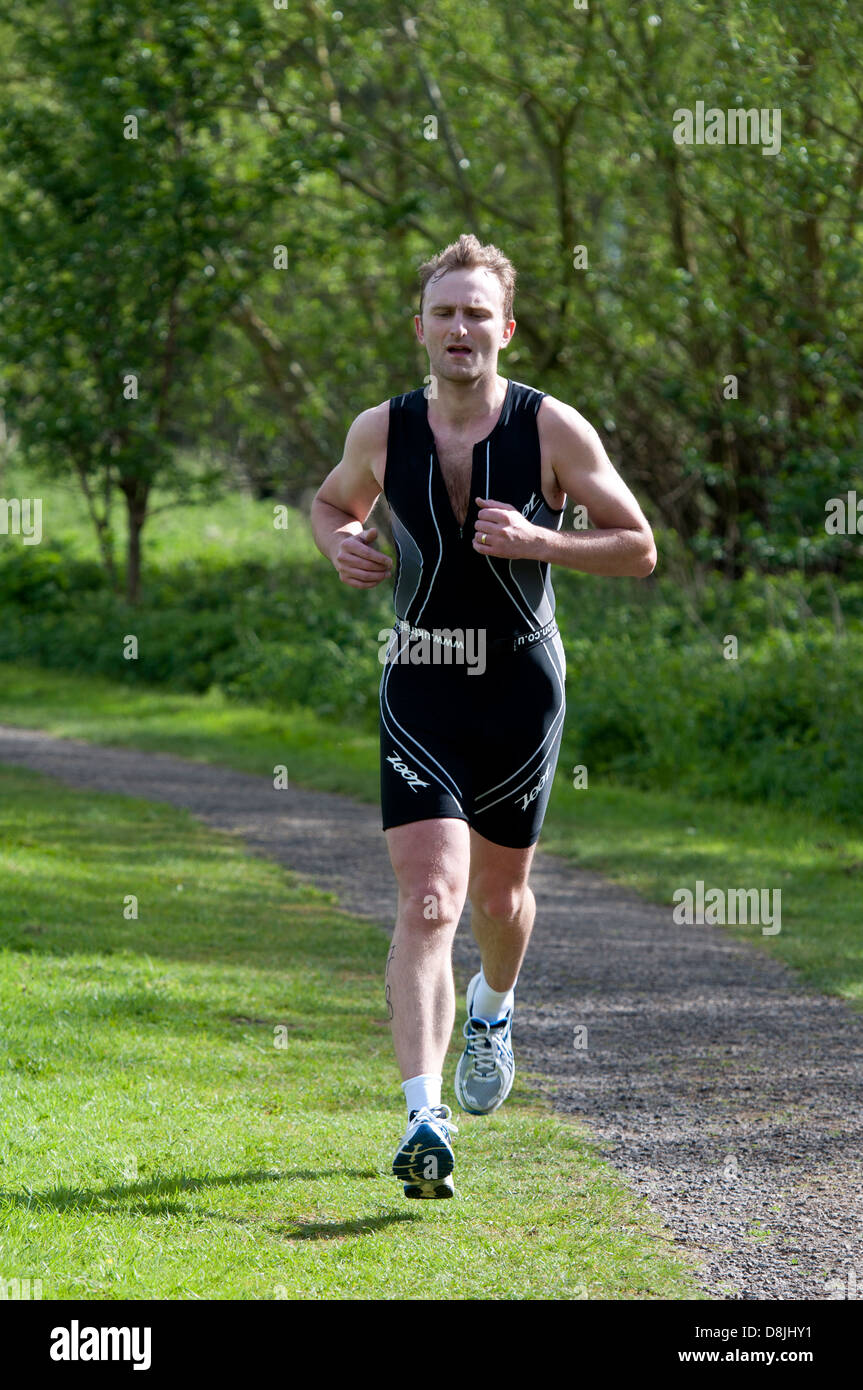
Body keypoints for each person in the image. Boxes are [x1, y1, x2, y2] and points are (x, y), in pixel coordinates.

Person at [311, 233, 656, 1198]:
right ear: (418, 327)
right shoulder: (381, 429)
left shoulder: (553, 430)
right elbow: (332, 503)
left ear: (504, 329)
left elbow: (637, 548)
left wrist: (541, 538)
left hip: (518, 693)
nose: (459, 328)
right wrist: (339, 540)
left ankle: (493, 1006)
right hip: (418, 683)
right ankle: (423, 1116)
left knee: (498, 904)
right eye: (443, 312)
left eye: (476, 313)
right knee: (427, 899)